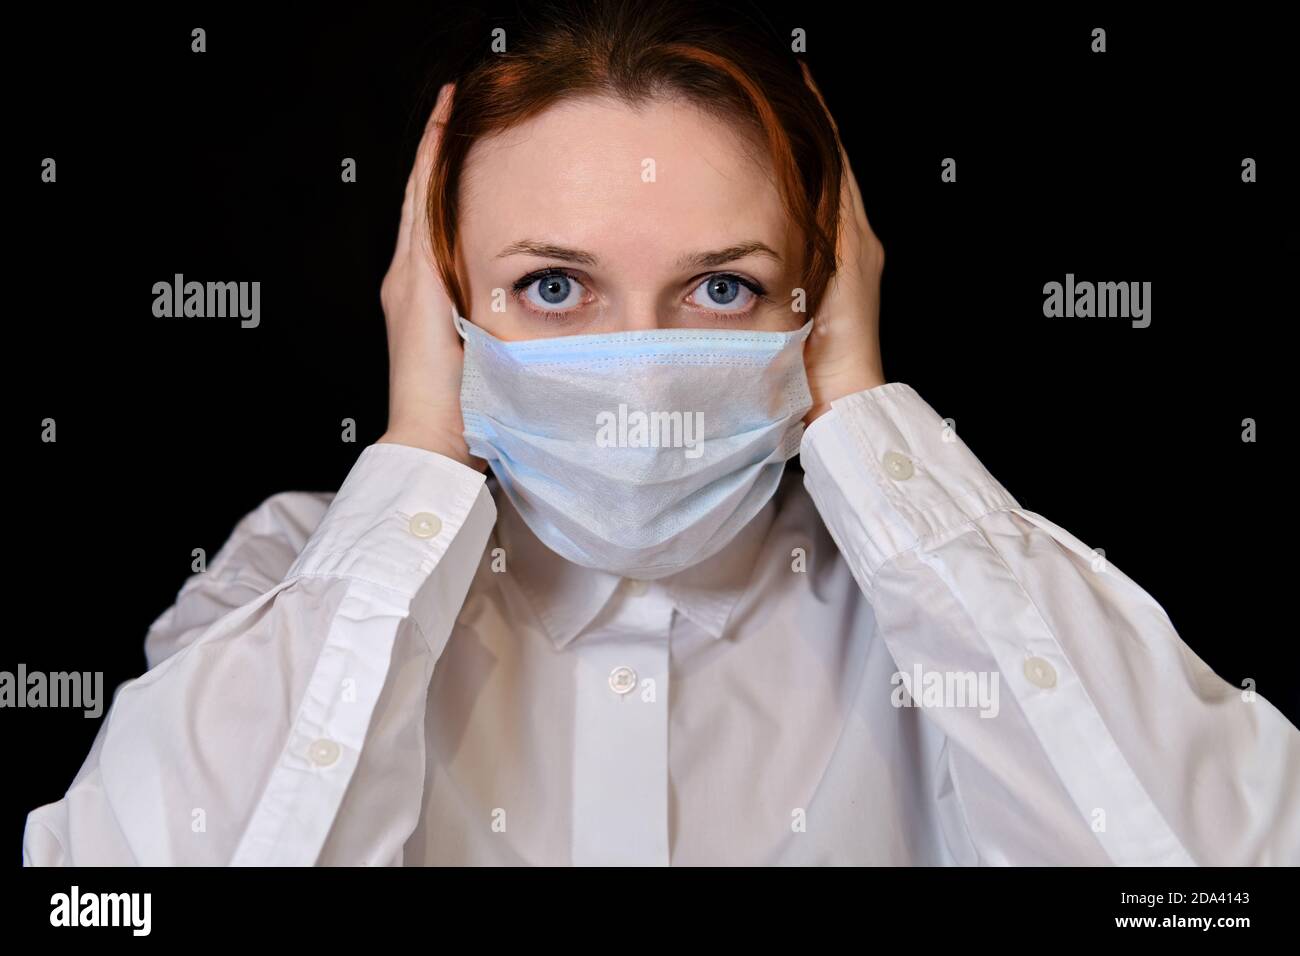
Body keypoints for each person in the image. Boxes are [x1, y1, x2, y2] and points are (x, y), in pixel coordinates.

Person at [24, 0, 1299, 866]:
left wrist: (859, 406)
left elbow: (1202, 877)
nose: (637, 370)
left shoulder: (952, 608)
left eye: (722, 287)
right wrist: (418, 440)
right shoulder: (293, 579)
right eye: (554, 286)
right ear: (443, 293)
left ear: (821, 293)